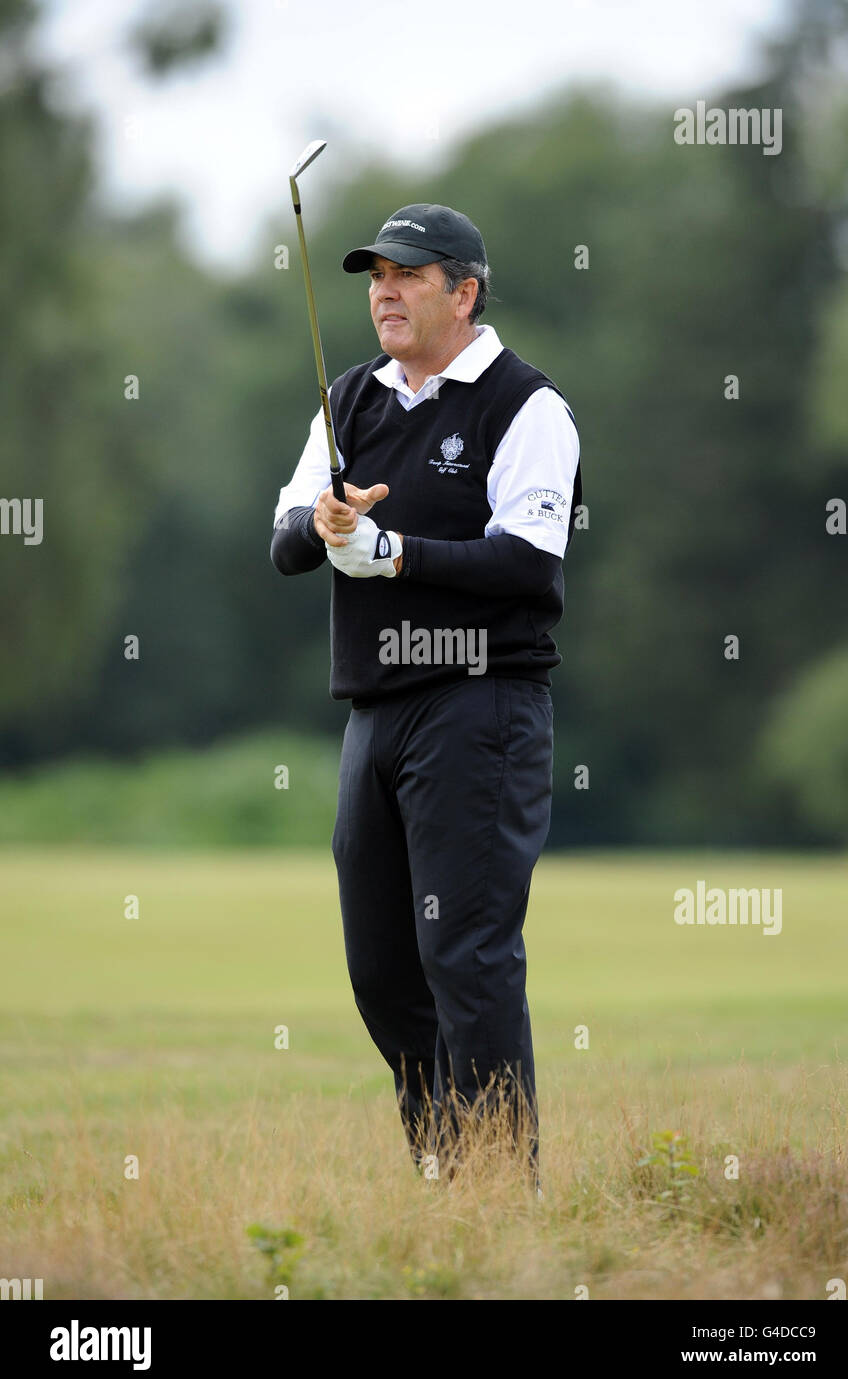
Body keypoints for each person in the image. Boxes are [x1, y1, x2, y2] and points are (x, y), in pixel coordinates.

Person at [270, 203, 580, 1185]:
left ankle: (498, 1186)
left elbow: (528, 563)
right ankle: (443, 1162)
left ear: (464, 291)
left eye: (407, 274)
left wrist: (391, 552)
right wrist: (327, 522)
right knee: (381, 971)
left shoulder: (525, 406)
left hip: (480, 707)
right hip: (377, 712)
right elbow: (282, 540)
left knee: (466, 955)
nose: (384, 293)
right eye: (373, 278)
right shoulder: (351, 398)